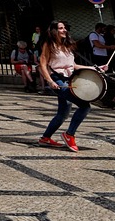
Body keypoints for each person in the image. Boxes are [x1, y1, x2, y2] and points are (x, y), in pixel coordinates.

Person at [38, 20, 103, 151]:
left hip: (70, 79)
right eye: (61, 28)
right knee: (84, 106)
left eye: (65, 28)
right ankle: (69, 134)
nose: (64, 30)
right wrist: (50, 81)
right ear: (54, 31)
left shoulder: (66, 46)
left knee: (63, 113)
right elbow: (42, 65)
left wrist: (94, 68)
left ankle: (45, 138)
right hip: (58, 80)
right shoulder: (49, 45)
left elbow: (73, 66)